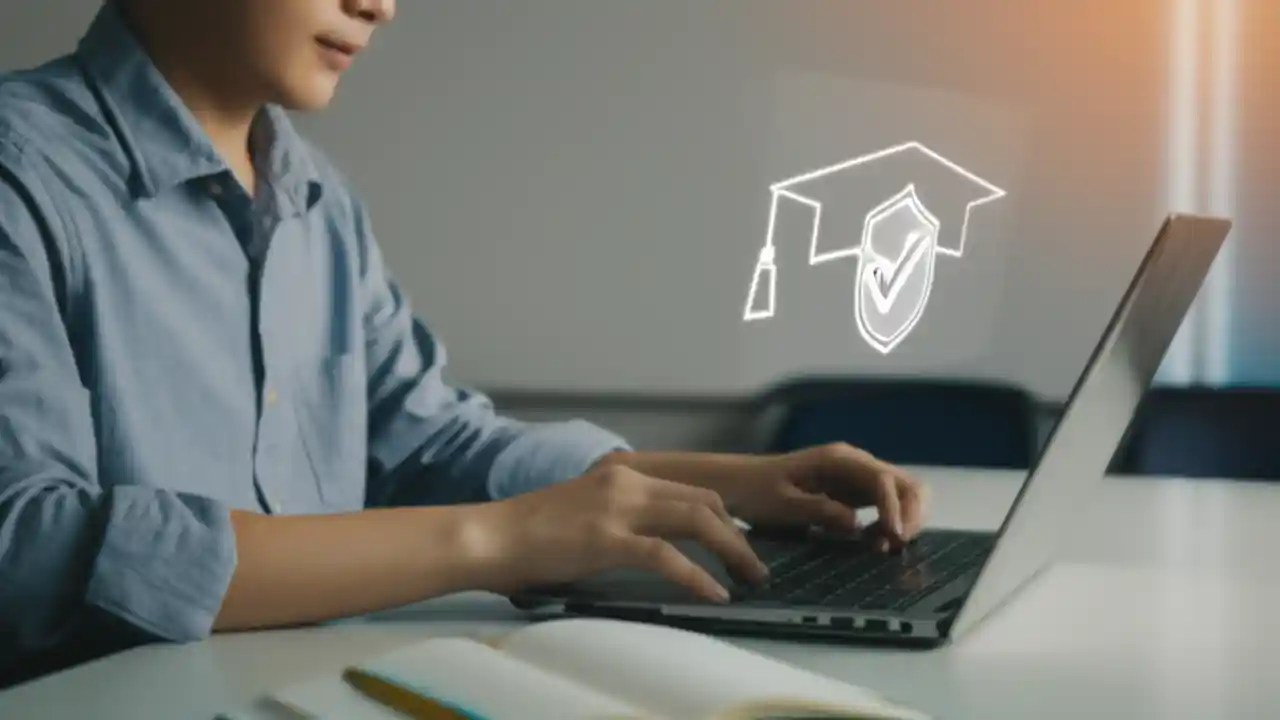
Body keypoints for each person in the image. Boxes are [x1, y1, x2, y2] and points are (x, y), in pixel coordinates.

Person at [0, 0, 927, 682]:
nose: (381, 6)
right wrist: (497, 541)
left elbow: (434, 441)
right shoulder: (21, 175)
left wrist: (730, 482)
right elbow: (31, 552)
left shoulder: (318, 201)